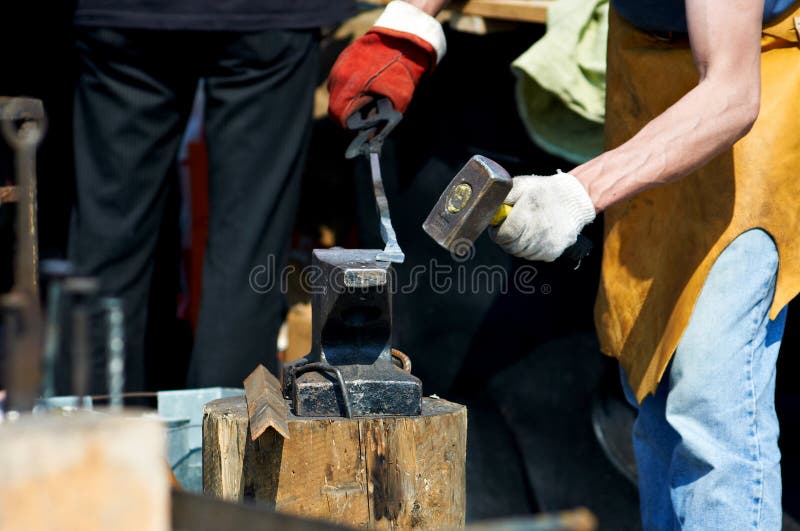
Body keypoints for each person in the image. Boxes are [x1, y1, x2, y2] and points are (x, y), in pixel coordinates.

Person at [327, 0, 800, 528]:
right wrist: (407, 28)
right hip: (645, 81)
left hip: (743, 99)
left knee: (708, 396)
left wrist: (578, 193)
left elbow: (732, 94)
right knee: (653, 390)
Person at [69, 0, 354, 391]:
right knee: (246, 253)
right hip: (265, 18)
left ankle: (94, 427)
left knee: (110, 244)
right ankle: (228, 428)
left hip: (127, 15)